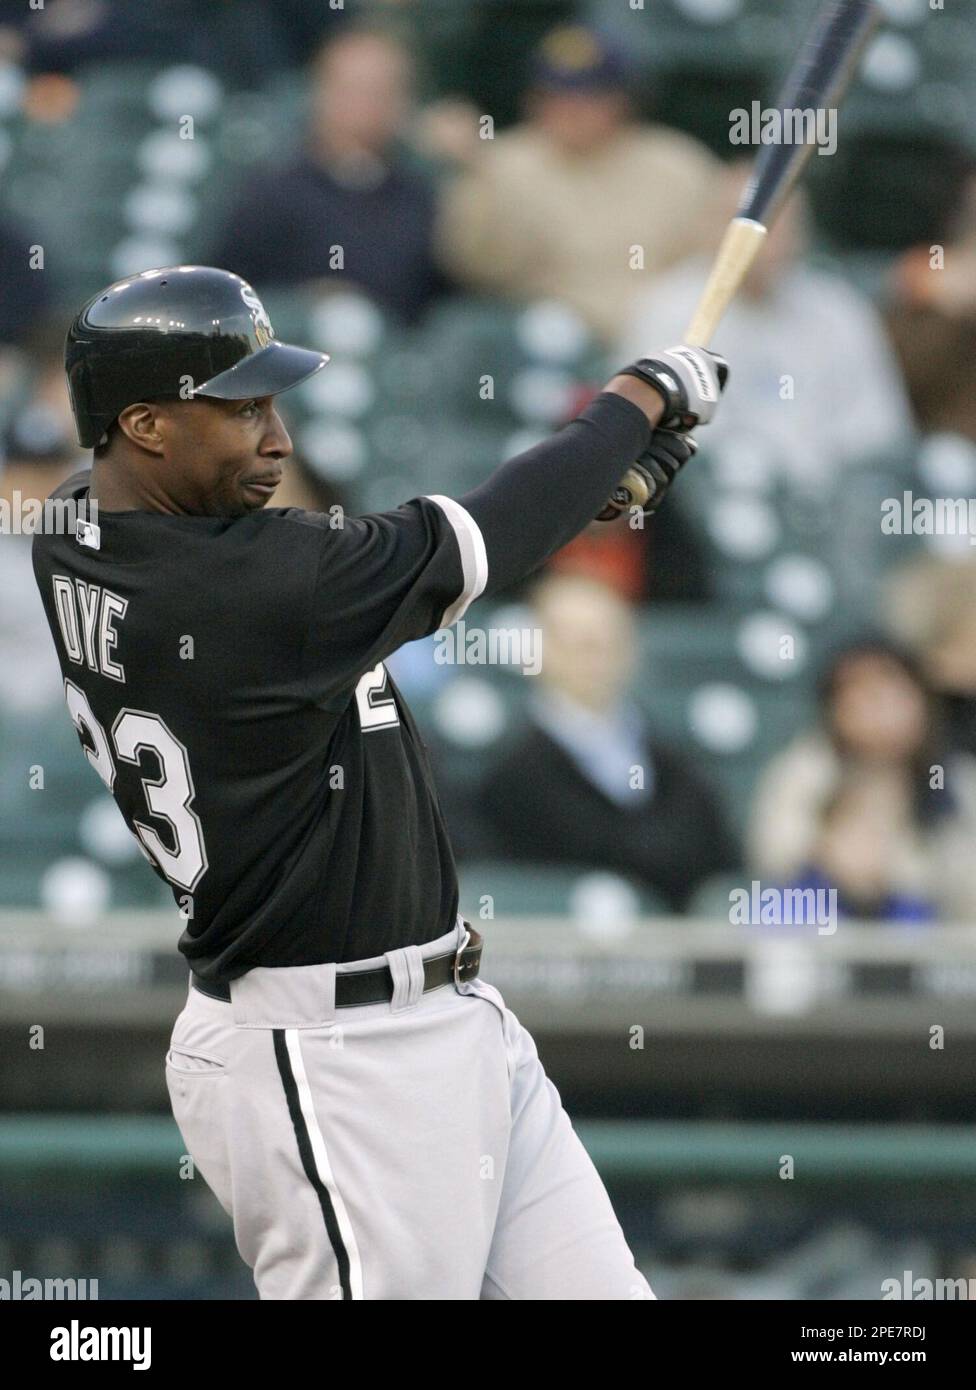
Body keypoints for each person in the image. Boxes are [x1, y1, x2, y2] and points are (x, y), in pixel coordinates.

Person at [32, 263, 728, 1299]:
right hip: (327, 1051)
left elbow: (447, 552)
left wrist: (587, 485)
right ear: (144, 425)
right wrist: (630, 405)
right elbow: (475, 538)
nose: (278, 439)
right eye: (241, 409)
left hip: (444, 1014)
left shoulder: (74, 524)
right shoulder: (250, 585)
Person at [618, 164, 913, 490]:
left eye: (782, 221)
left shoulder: (838, 308)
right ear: (711, 227)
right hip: (720, 504)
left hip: (836, 502)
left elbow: (879, 429)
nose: (769, 236)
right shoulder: (668, 312)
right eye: (752, 221)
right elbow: (670, 446)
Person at [432, 23, 720, 344]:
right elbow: (473, 266)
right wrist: (474, 174)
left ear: (622, 100)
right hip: (544, 340)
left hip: (660, 337)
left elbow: (714, 267)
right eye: (556, 96)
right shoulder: (501, 163)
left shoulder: (677, 165)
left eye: (588, 97)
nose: (571, 109)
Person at [479, 572, 738, 909]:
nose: (596, 657)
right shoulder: (510, 775)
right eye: (578, 642)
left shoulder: (677, 766)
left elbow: (716, 857)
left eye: (609, 640)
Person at [211, 26, 448, 324]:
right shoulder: (270, 191)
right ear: (320, 92)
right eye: (354, 89)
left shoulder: (423, 197)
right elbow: (226, 292)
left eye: (382, 91)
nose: (366, 105)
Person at [748, 640, 976, 923]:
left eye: (891, 692)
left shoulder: (949, 779)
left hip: (933, 938)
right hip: (821, 924)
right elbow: (774, 855)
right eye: (862, 694)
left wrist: (892, 873)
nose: (878, 708)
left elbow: (966, 885)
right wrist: (826, 856)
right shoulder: (806, 769)